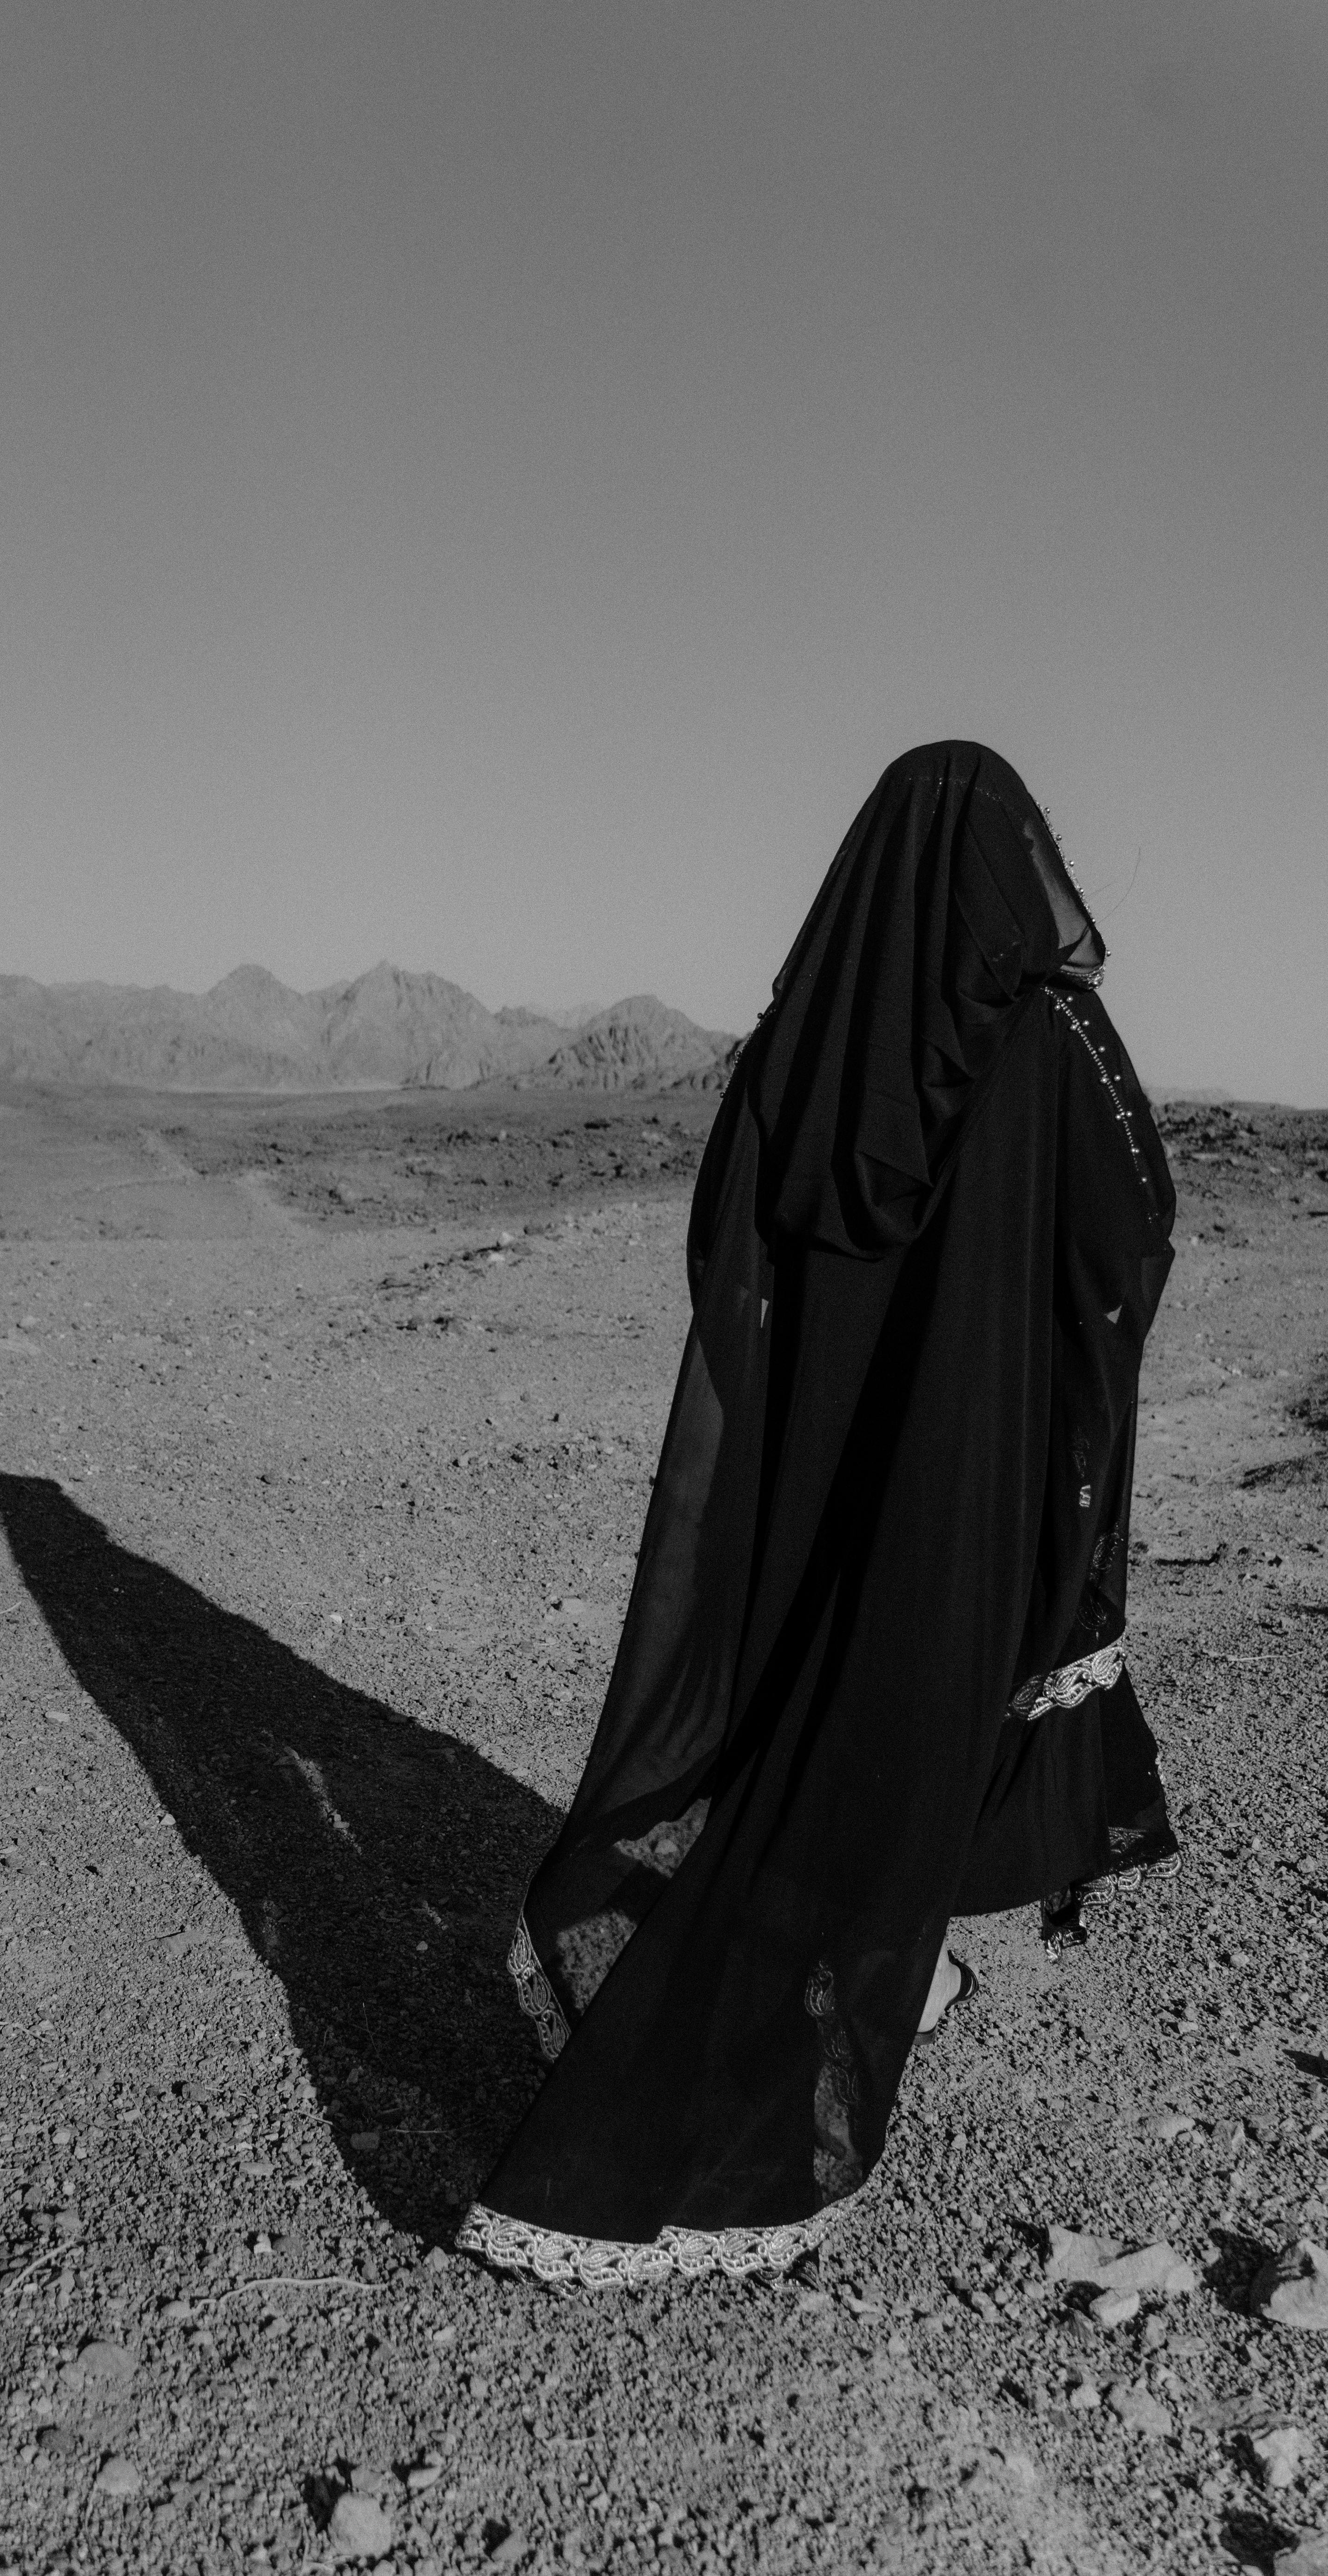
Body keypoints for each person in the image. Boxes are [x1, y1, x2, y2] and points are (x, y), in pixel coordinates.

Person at [457, 741, 1178, 2289]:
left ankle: (865, 1981)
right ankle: (715, 2104)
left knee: (801, 1725)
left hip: (808, 1469)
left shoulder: (811, 1032)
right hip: (956, 1485)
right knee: (899, 1735)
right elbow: (1139, 1217)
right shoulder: (1049, 1044)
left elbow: (728, 1229)